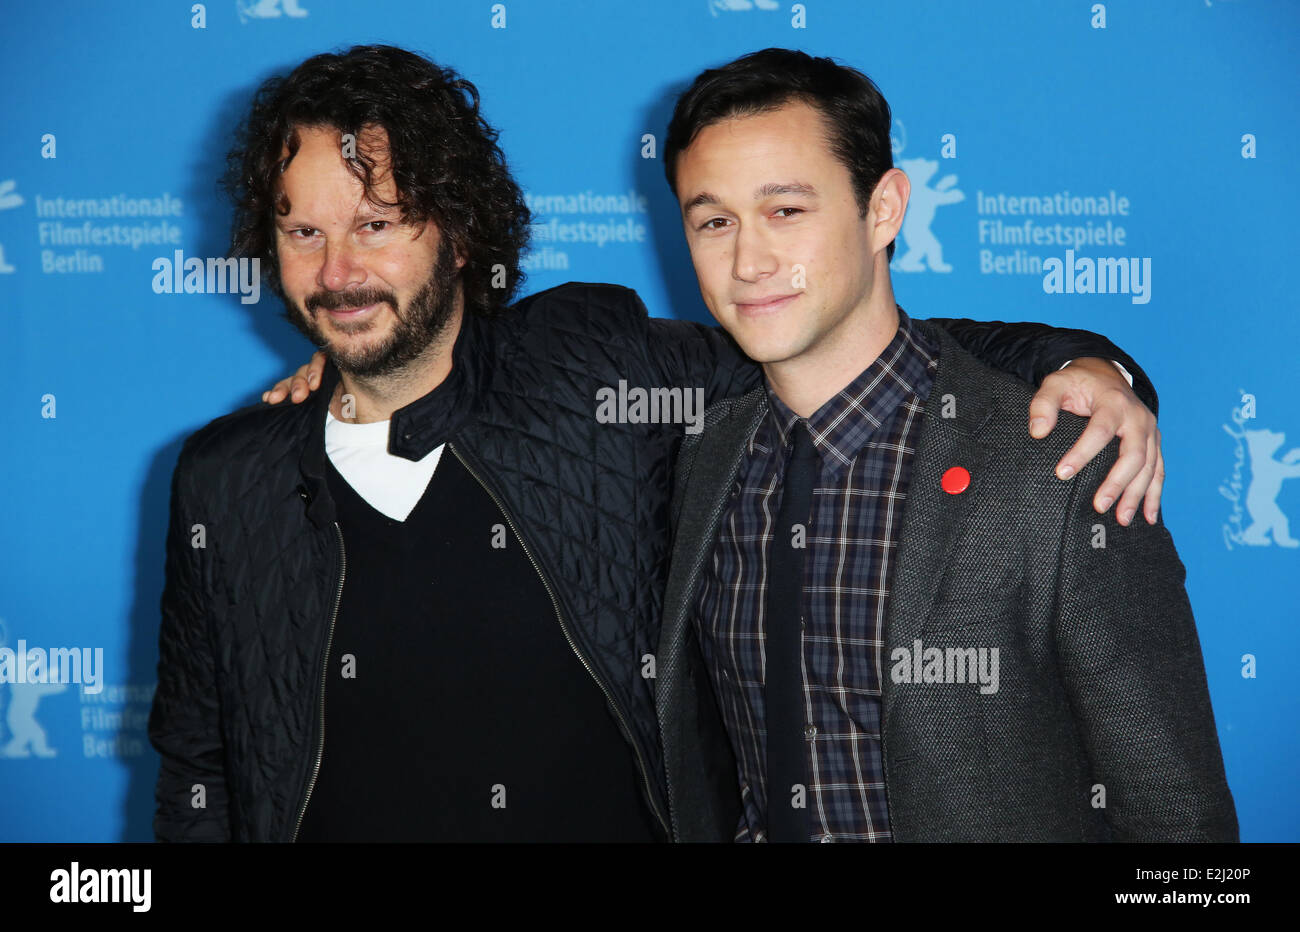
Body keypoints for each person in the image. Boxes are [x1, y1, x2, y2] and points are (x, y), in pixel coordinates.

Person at [151, 44, 1165, 842]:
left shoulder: (596, 369)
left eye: (377, 223)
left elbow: (853, 347)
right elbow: (199, 766)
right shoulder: (226, 476)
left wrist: (1082, 362)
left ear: (456, 231)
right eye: (303, 232)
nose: (338, 270)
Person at [656, 48, 1237, 842]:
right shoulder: (704, 458)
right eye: (714, 221)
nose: (748, 262)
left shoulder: (1056, 466)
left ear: (884, 209)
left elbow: (1180, 822)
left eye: (786, 210)